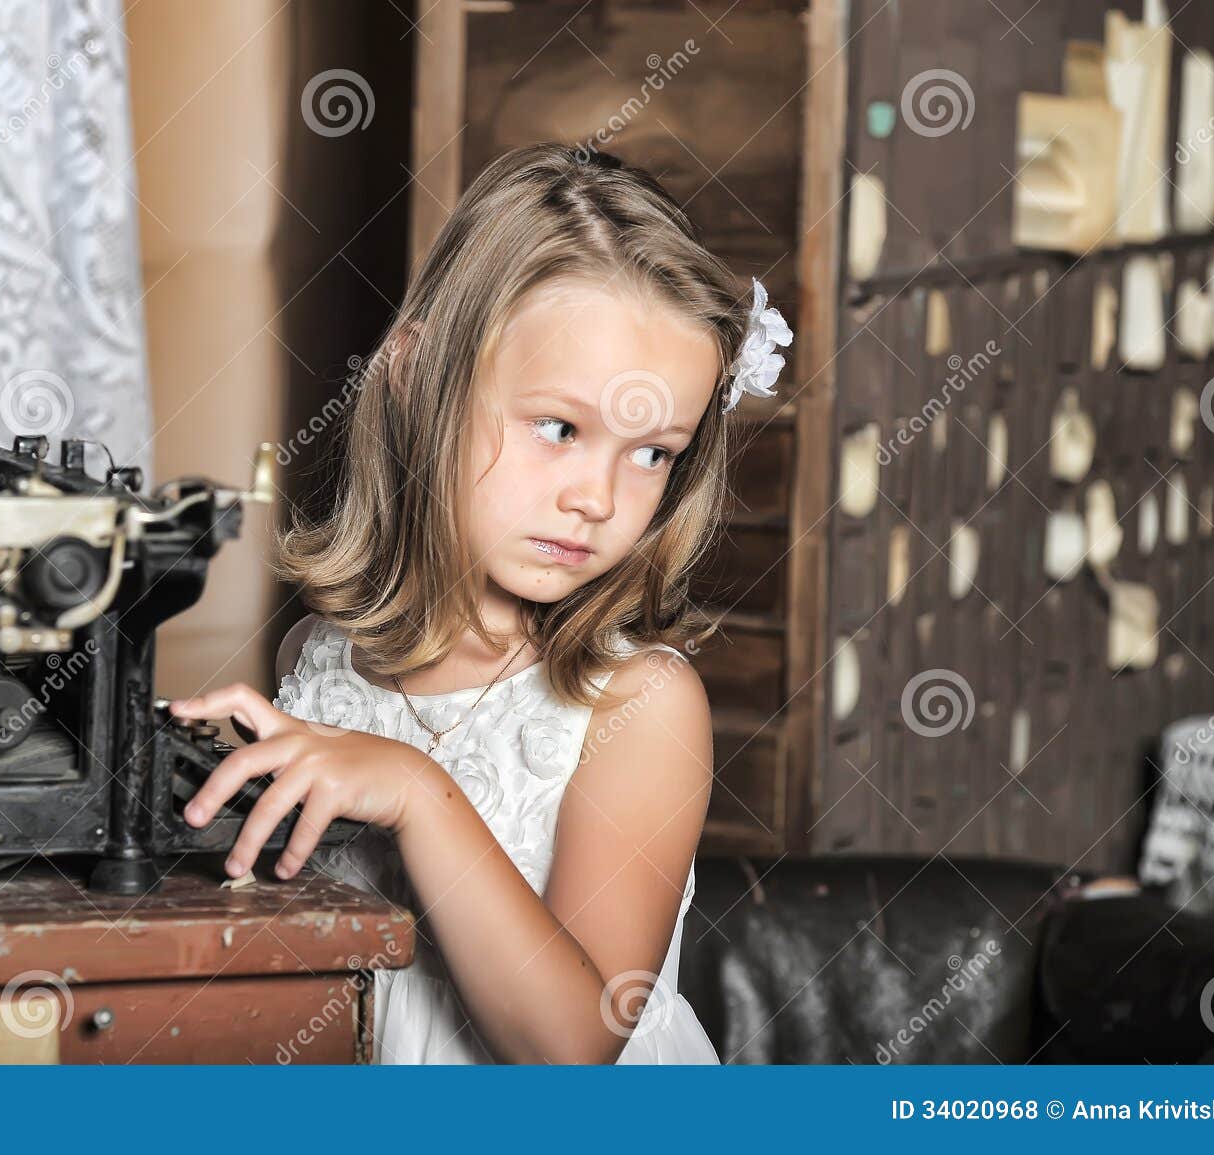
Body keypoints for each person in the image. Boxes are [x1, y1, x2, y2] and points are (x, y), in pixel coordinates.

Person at [168, 141, 792, 1064]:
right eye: (559, 427)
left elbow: (570, 1048)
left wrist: (418, 792)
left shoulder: (640, 704)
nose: (597, 497)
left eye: (652, 452)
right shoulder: (322, 654)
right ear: (417, 373)